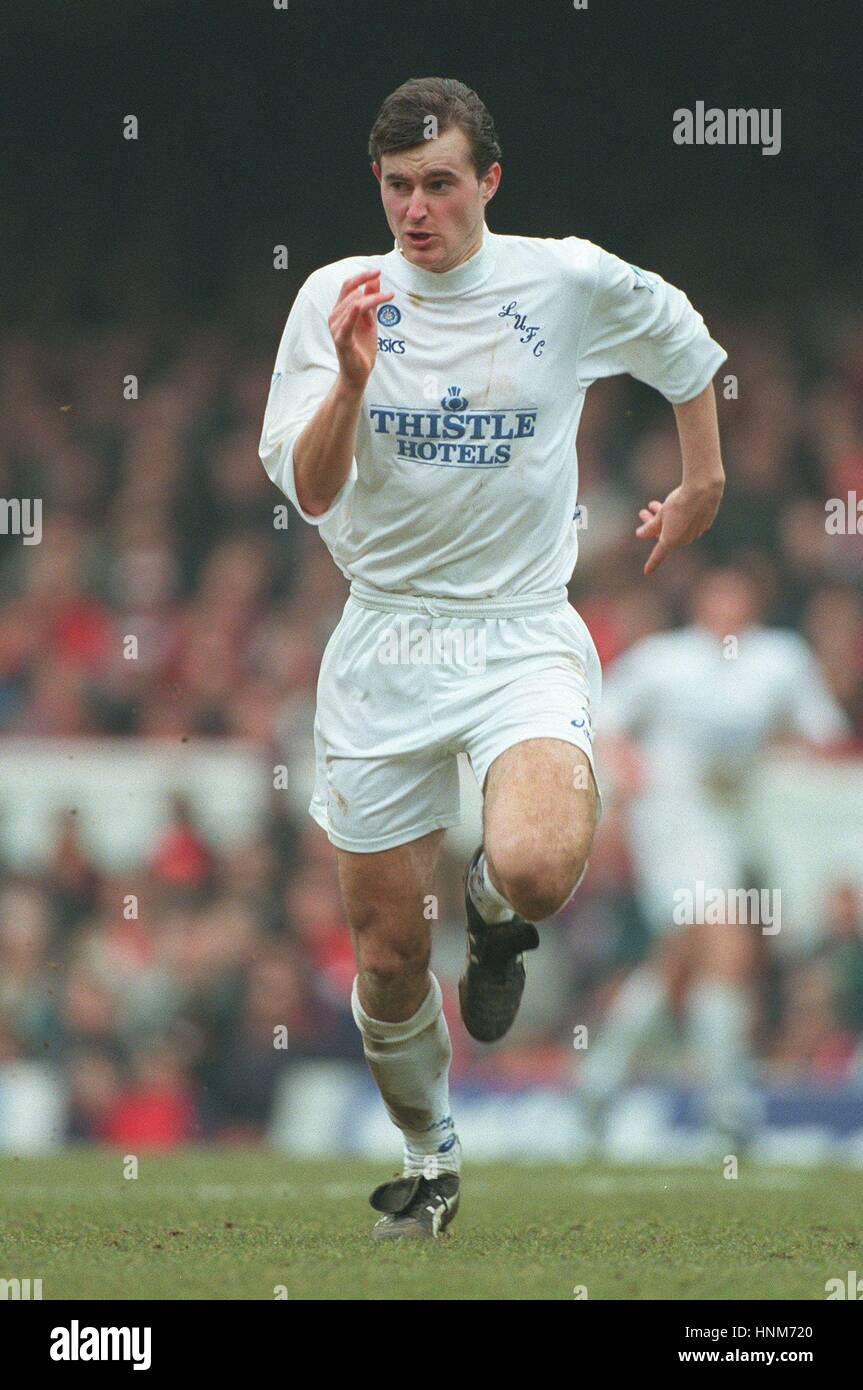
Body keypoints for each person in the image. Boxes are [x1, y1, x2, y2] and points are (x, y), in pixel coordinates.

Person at [259, 76, 727, 1238]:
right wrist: (352, 382)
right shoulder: (333, 300)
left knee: (535, 865)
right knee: (385, 956)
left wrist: (703, 478)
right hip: (385, 639)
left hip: (518, 629)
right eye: (396, 186)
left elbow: (680, 341)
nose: (414, 209)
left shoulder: (559, 281)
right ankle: (430, 1155)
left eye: (438, 183)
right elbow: (310, 488)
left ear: (489, 181)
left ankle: (492, 904)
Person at [581, 567, 851, 1148]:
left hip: (741, 824)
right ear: (698, 601)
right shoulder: (663, 660)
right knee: (726, 939)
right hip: (673, 817)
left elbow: (820, 737)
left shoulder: (780, 658)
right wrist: (627, 781)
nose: (729, 605)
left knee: (682, 957)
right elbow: (604, 724)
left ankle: (600, 1076)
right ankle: (728, 1102)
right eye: (718, 594)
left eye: (739, 594)